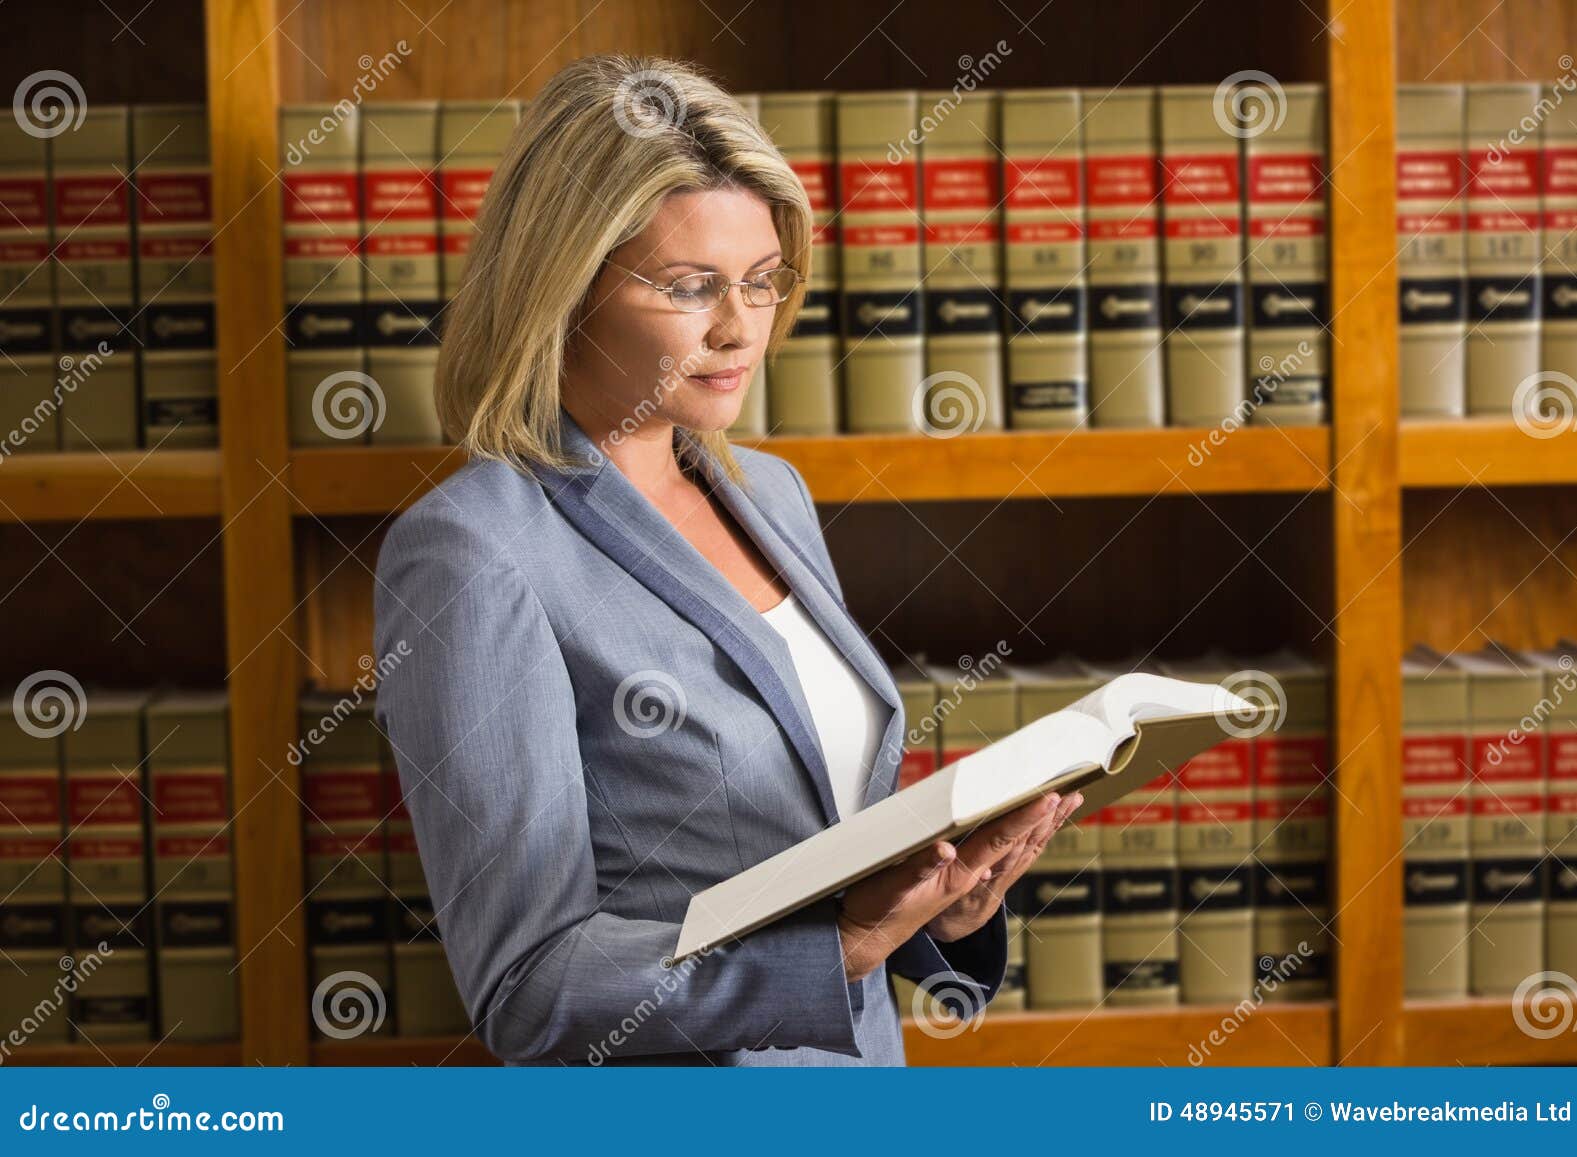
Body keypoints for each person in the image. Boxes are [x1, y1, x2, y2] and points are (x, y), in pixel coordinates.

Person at [373, 53, 1082, 1066]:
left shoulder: (768, 491)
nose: (738, 328)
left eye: (759, 281)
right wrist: (836, 949)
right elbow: (529, 985)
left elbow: (813, 843)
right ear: (561, 288)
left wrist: (939, 910)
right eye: (689, 286)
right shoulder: (474, 549)